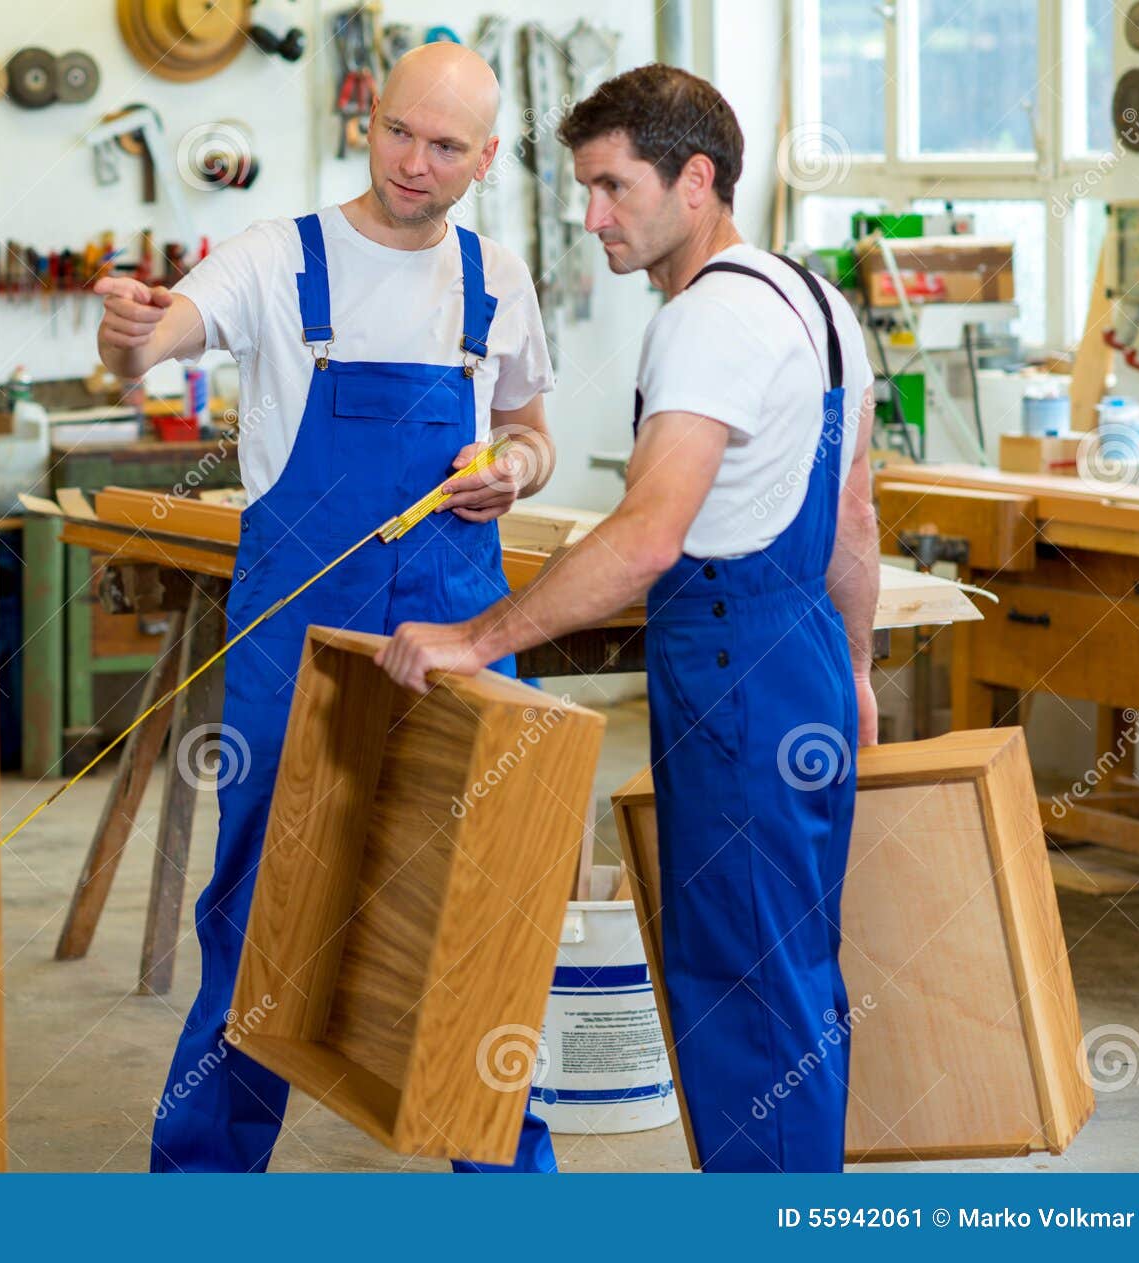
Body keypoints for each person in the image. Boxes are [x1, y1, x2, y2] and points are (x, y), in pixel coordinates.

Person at [376, 63, 881, 1173]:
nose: (591, 217)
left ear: (693, 179)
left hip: (736, 664)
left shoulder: (704, 323)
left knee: (738, 983)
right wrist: (850, 664)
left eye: (612, 188)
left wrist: (476, 638)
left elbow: (649, 535)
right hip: (796, 657)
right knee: (790, 973)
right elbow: (850, 513)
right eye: (583, 189)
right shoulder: (815, 300)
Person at [93, 41, 558, 1173]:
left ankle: (501, 1177)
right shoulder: (271, 257)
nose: (413, 162)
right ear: (370, 122)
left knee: (485, 899)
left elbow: (533, 432)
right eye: (398, 132)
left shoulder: (496, 277)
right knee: (265, 904)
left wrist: (519, 471)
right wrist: (126, 337)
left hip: (458, 624)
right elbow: (156, 340)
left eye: (445, 146)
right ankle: (205, 1179)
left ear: (486, 157)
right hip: (295, 639)